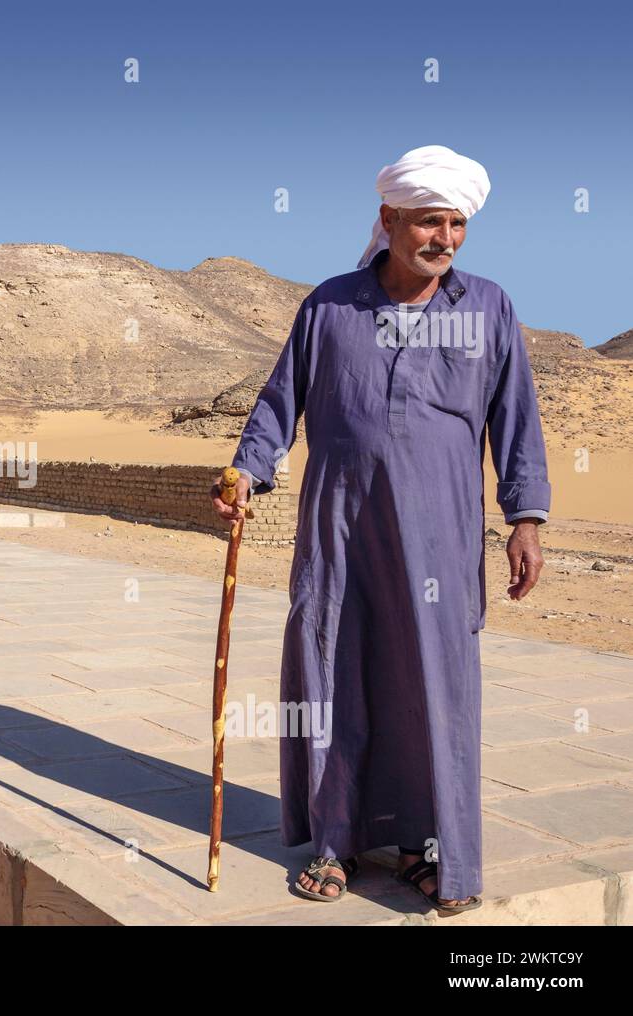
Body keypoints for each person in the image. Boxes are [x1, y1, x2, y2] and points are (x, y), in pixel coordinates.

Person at [210, 145, 549, 915]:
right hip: (338, 532)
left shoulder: (488, 307)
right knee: (332, 670)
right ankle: (335, 843)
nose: (446, 238)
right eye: (431, 221)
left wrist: (525, 519)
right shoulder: (329, 306)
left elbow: (517, 423)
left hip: (441, 536)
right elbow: (277, 405)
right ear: (390, 219)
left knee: (433, 682)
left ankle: (429, 846)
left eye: (457, 223)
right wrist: (245, 472)